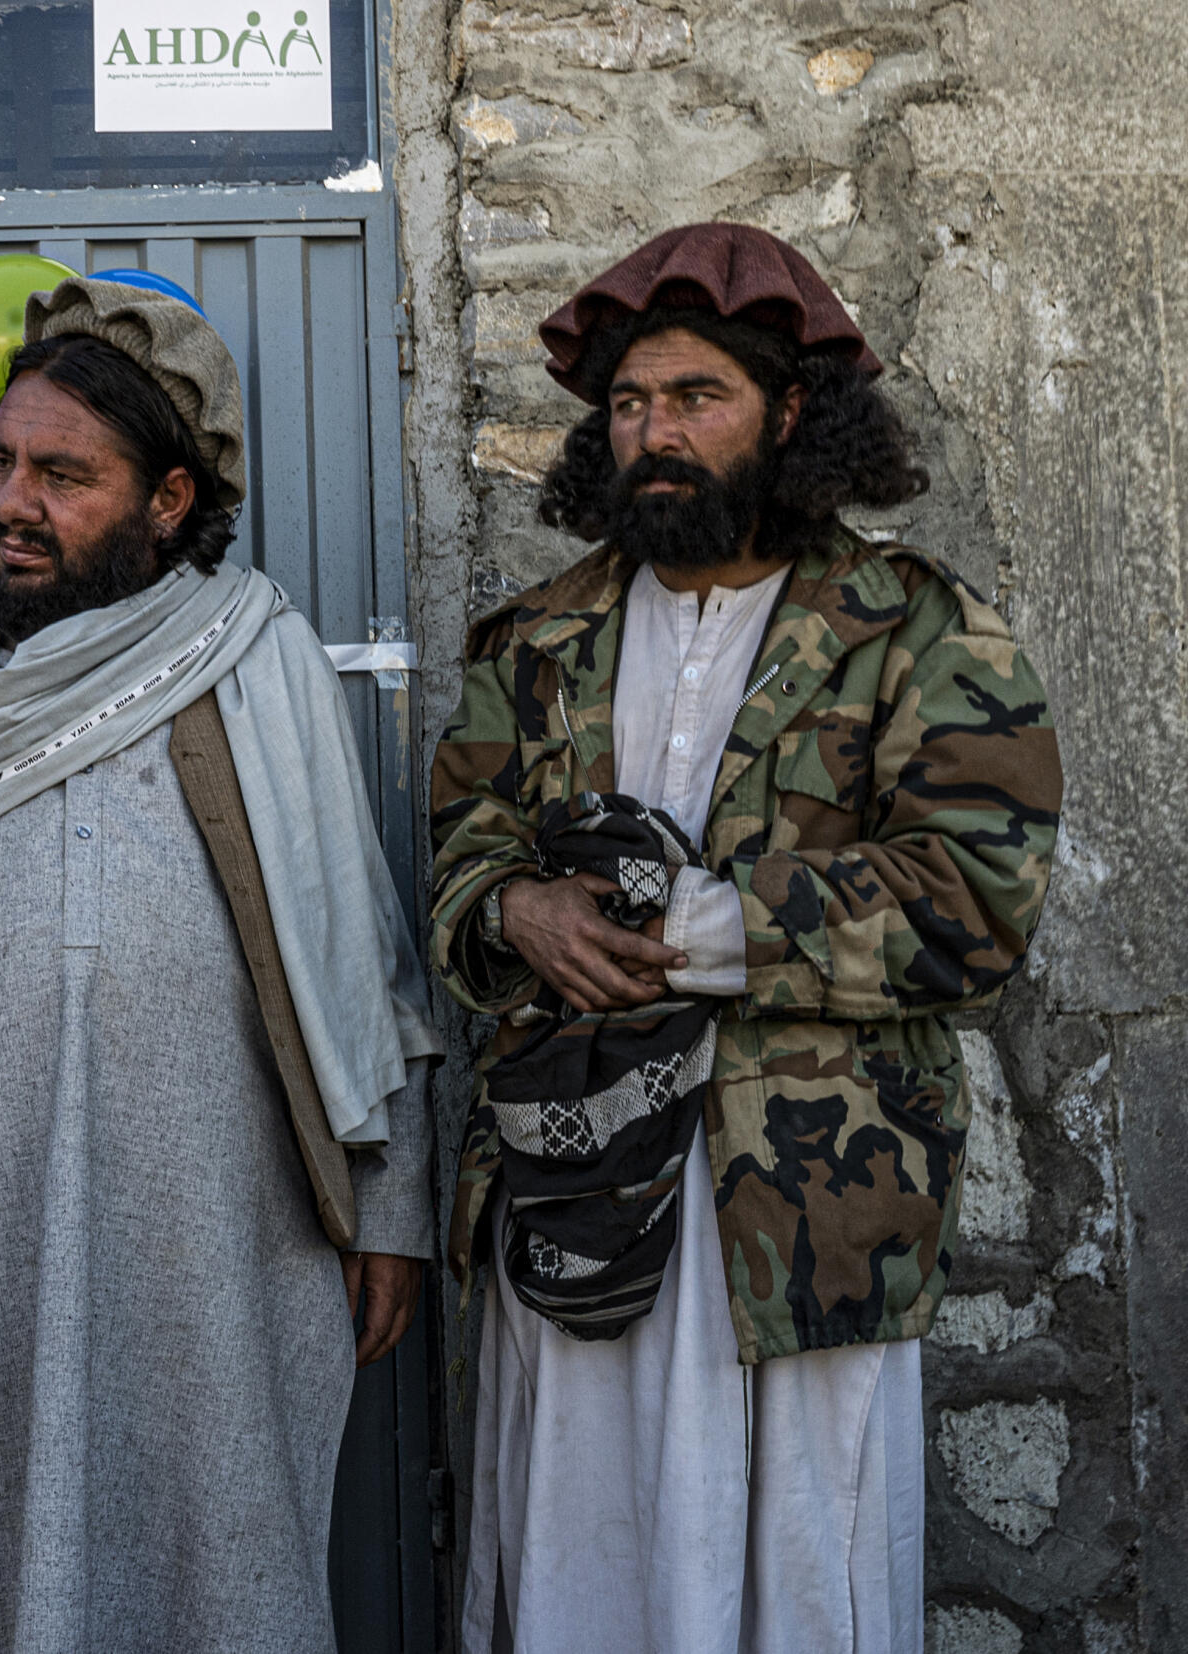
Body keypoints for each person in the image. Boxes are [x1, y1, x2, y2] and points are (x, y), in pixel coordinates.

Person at [428, 222, 1063, 1652]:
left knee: (788, 1571)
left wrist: (701, 929)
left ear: (790, 414)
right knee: (571, 1546)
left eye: (696, 398)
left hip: (797, 1224)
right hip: (575, 1188)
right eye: (633, 403)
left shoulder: (913, 629)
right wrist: (521, 907)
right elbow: (460, 851)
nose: (656, 432)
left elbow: (978, 894)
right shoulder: (531, 643)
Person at [0, 276, 443, 1652]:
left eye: (64, 475)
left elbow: (366, 951)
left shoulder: (259, 655)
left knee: (217, 1546)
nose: (10, 504)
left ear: (169, 501)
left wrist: (392, 1203)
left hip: (219, 1219)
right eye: (4, 462)